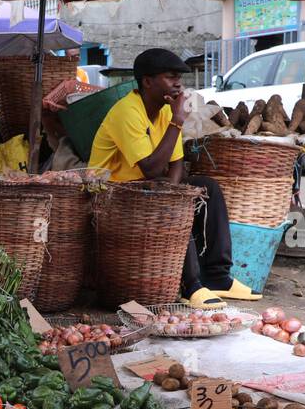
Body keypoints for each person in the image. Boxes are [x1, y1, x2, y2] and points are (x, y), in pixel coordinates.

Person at [88, 48, 261, 310]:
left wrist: (173, 188)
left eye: (179, 77)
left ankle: (217, 277)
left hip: (147, 188)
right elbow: (150, 169)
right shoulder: (128, 112)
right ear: (147, 81)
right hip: (110, 195)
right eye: (171, 77)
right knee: (168, 198)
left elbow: (176, 164)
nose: (179, 84)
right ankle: (190, 286)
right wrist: (178, 120)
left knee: (208, 188)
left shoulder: (167, 110)